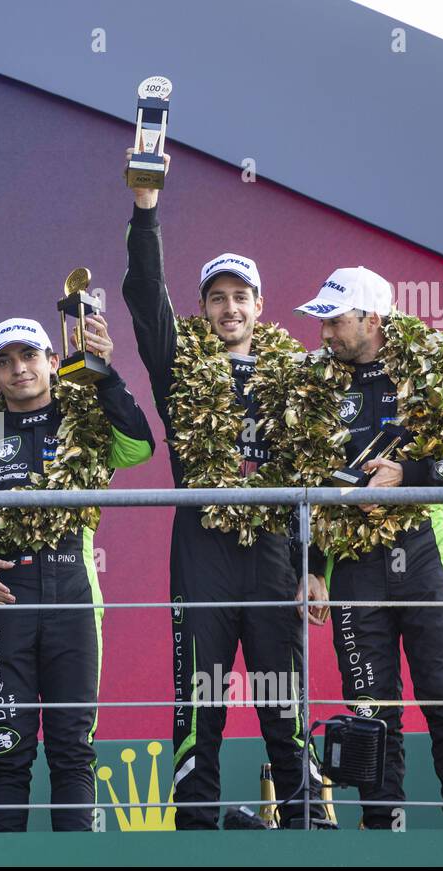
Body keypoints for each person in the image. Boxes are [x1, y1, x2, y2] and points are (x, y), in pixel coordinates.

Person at [122, 151, 332, 828]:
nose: (230, 307)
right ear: (204, 308)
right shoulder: (178, 366)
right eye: (217, 296)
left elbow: (319, 479)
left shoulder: (298, 375)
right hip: (202, 556)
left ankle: (301, 834)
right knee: (199, 709)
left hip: (276, 557)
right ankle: (197, 839)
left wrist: (318, 568)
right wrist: (146, 211)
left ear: (261, 306)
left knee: (283, 706)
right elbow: (144, 294)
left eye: (242, 296)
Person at [0, 315, 154, 831]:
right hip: (5, 599)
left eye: (30, 356)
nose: (19, 369)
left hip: (74, 596)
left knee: (73, 749)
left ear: (54, 362)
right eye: (4, 362)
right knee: (8, 750)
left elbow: (140, 448)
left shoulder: (87, 420)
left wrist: (104, 374)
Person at [294, 267, 443, 830]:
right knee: (369, 707)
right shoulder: (313, 382)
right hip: (352, 564)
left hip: (423, 553)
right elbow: (303, 482)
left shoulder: (430, 368)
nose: (326, 334)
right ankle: (381, 831)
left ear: (373, 319)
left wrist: (408, 474)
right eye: (323, 322)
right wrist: (310, 567)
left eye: (335, 321)